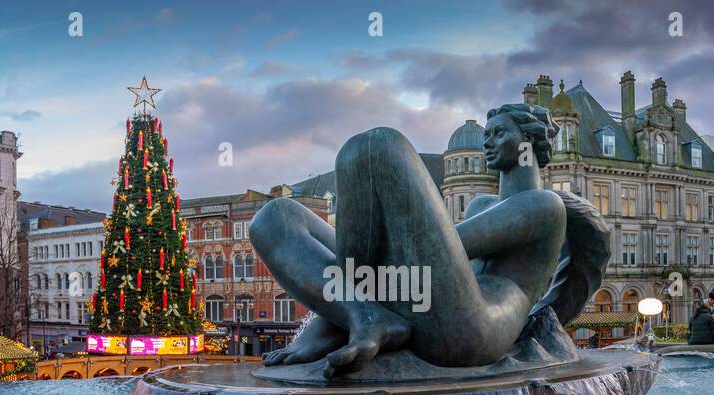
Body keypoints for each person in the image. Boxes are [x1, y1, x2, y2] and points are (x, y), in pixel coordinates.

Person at [249, 103, 610, 376]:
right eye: (486, 134)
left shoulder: (544, 206)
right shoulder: (484, 203)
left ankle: (338, 322)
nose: (488, 141)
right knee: (275, 217)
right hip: (431, 301)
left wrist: (385, 215)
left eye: (499, 133)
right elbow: (432, 255)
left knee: (377, 145)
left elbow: (451, 246)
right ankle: (361, 314)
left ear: (529, 141)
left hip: (474, 332)